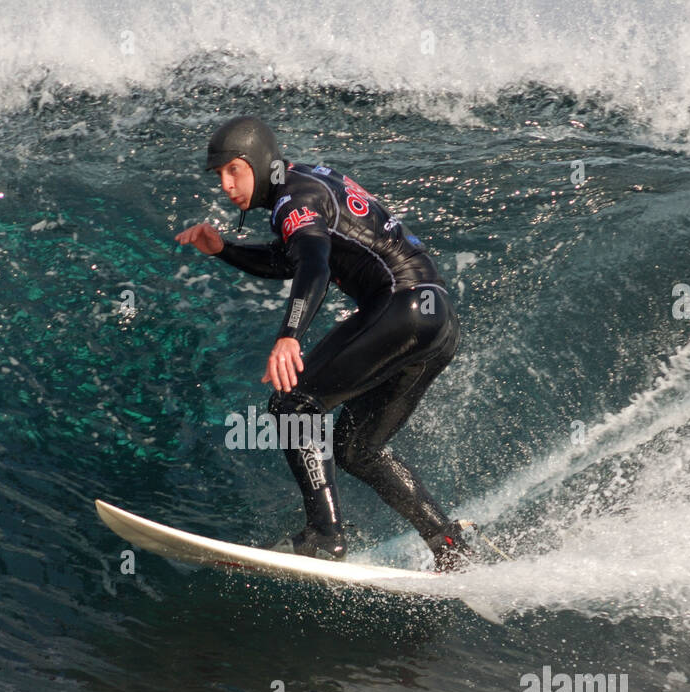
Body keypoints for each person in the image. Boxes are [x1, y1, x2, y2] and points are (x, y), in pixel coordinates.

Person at [175, 115, 475, 571]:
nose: (225, 184)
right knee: (357, 447)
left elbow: (313, 265)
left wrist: (288, 337)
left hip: (401, 303)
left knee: (293, 404)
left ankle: (324, 535)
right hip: (436, 319)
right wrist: (225, 250)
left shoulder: (294, 198)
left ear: (257, 162)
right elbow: (290, 258)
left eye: (233, 170)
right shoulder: (306, 185)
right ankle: (449, 543)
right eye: (219, 175)